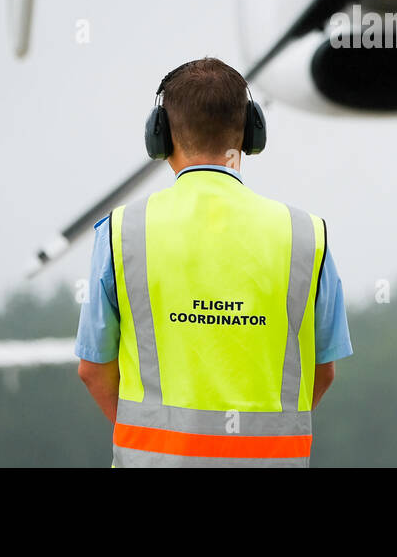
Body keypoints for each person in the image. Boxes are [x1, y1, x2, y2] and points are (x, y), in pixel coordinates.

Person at [75, 57, 351, 467]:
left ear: (160, 135)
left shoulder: (122, 232)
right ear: (252, 133)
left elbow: (93, 371)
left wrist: (162, 447)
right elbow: (322, 372)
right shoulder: (306, 236)